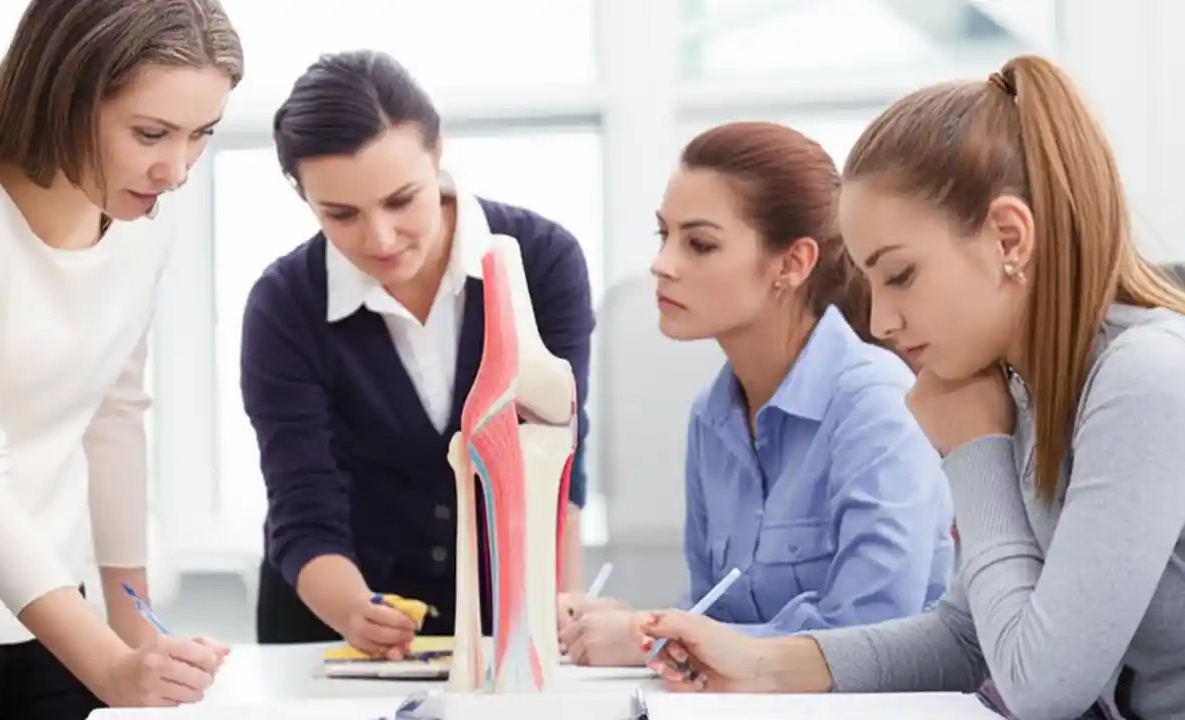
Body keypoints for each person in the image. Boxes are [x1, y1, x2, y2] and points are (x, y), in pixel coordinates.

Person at [639, 54, 1185, 720]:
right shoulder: (1025, 390)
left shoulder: (1144, 379)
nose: (879, 321)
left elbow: (1041, 688)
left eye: (899, 276)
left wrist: (977, 449)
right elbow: (969, 638)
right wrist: (759, 664)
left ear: (1009, 238)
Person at [0, 1, 243, 717]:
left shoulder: (139, 212)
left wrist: (134, 641)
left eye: (200, 136)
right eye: (151, 133)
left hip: (60, 618)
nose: (176, 169)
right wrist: (110, 668)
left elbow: (113, 419)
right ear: (61, 95)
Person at [556, 121, 954, 667]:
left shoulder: (876, 404)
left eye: (699, 243)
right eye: (663, 236)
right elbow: (713, 616)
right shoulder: (710, 418)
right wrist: (633, 624)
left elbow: (870, 629)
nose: (662, 264)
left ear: (792, 264)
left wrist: (651, 637)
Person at [240, 49, 594, 654]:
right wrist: (355, 611)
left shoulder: (540, 261)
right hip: (330, 627)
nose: (379, 237)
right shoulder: (285, 305)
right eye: (341, 214)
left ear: (438, 155)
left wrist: (552, 606)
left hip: (501, 619)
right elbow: (302, 503)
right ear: (303, 196)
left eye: (401, 199)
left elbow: (554, 456)